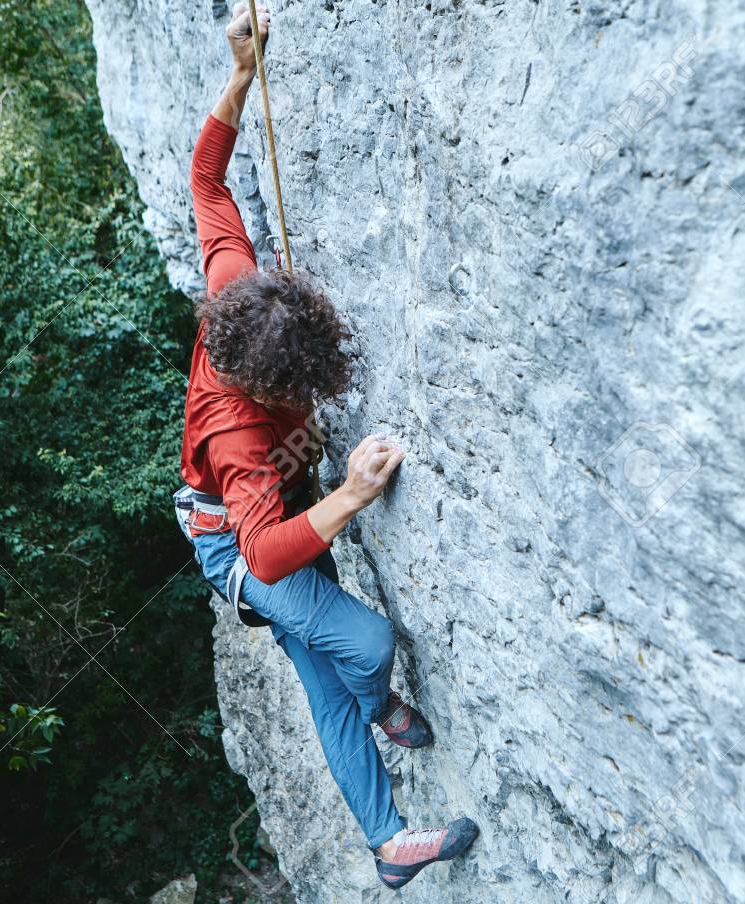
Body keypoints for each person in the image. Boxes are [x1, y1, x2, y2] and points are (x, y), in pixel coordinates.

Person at [171, 3, 479, 890]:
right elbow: (267, 556)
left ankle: (388, 845)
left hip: (271, 509)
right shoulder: (235, 434)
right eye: (293, 391)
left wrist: (238, 78)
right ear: (263, 390)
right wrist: (348, 492)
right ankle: (381, 702)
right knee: (366, 644)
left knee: (324, 683)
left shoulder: (236, 288)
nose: (305, 395)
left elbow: (206, 184)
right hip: (237, 539)